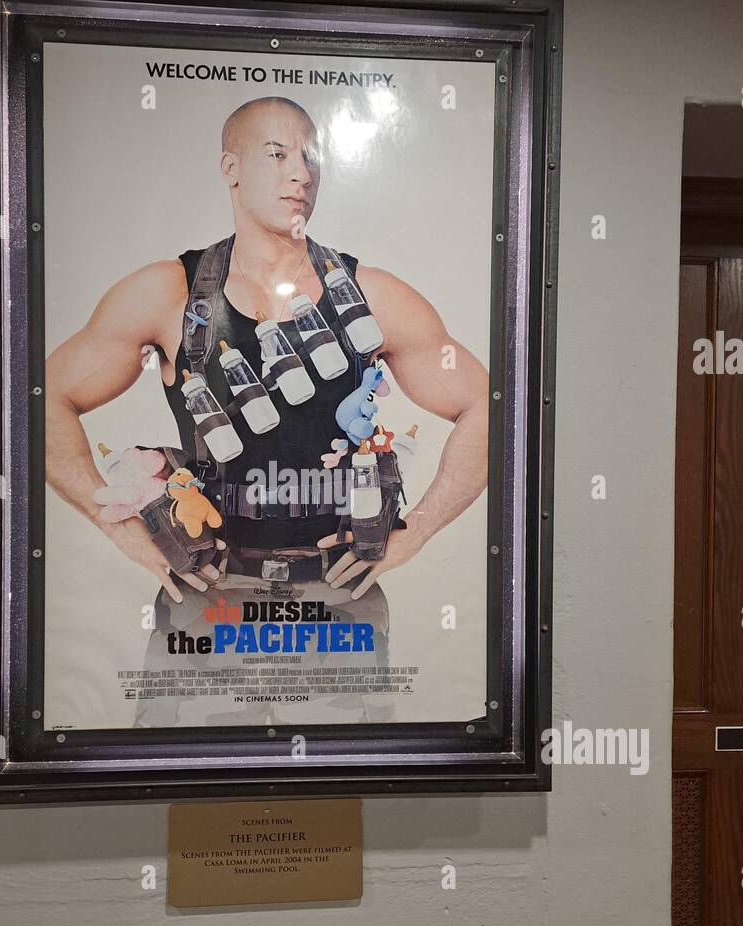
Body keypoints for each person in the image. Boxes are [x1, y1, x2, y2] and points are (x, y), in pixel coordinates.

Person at [45, 96, 489, 725]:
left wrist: (412, 532)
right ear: (230, 167)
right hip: (209, 604)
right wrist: (123, 533)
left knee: (345, 804)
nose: (300, 174)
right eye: (277, 155)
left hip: (336, 609)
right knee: (190, 802)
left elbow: (488, 408)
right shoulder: (167, 294)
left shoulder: (374, 298)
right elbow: (42, 403)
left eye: (310, 158)